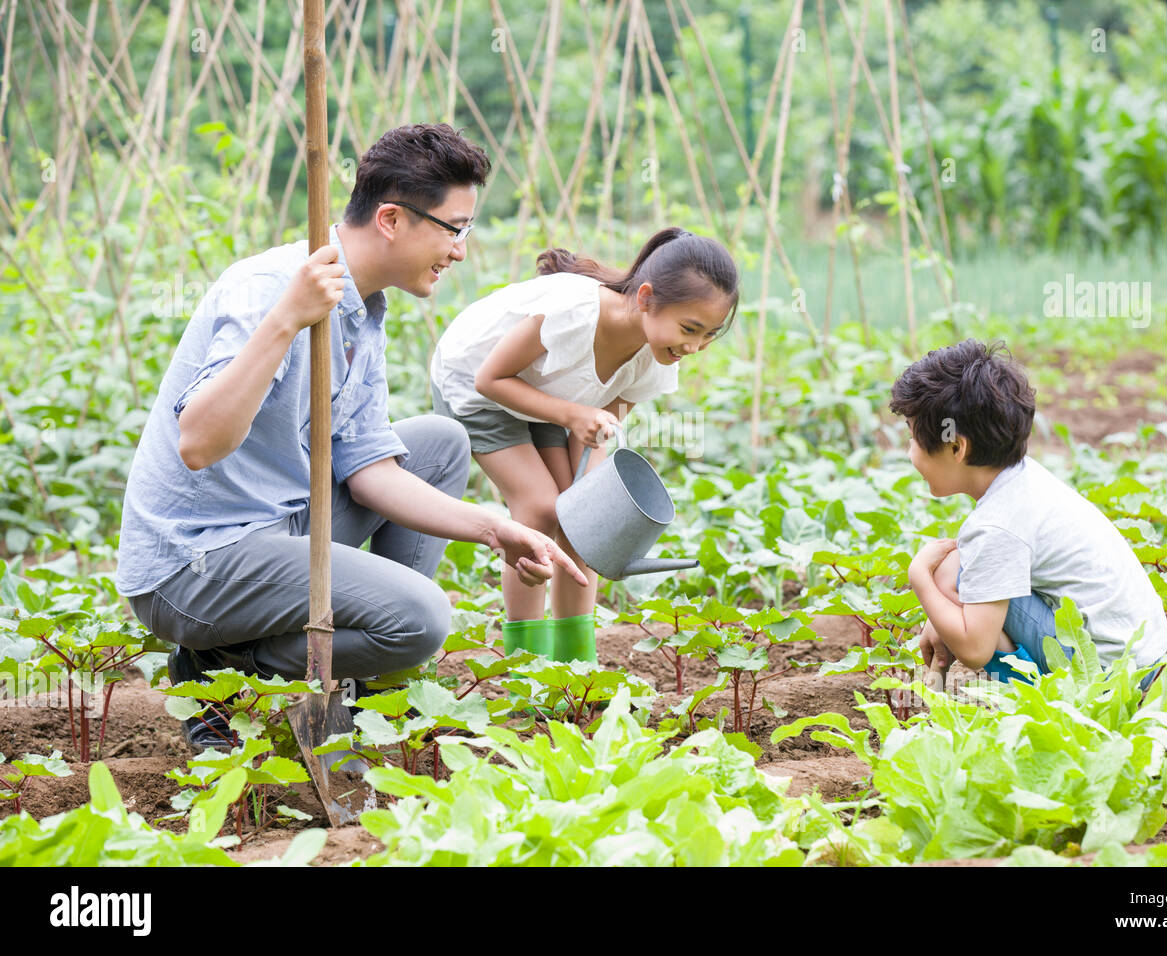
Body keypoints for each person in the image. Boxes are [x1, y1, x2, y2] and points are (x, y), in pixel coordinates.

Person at [117, 124, 585, 751]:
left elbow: (370, 467)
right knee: (421, 619)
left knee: (439, 443)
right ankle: (223, 674)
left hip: (279, 525)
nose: (461, 251)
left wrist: (491, 526)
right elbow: (199, 442)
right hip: (199, 562)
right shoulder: (272, 291)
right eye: (455, 228)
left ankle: (363, 686)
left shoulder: (364, 307)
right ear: (392, 219)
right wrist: (287, 320)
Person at [430, 228, 739, 663]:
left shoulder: (655, 354)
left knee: (583, 518)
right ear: (647, 298)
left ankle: (575, 664)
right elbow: (491, 379)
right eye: (690, 329)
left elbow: (600, 429)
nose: (695, 346)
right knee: (538, 508)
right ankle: (526, 664)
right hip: (477, 384)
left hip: (551, 396)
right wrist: (573, 416)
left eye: (709, 335)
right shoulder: (575, 314)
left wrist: (592, 512)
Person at [889, 339, 1167, 691]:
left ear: (956, 447)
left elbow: (974, 650)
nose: (910, 452)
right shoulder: (1025, 480)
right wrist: (944, 615)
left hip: (1106, 676)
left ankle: (1039, 700)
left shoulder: (996, 525)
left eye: (914, 438)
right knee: (964, 572)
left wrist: (920, 577)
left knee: (950, 573)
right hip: (1140, 657)